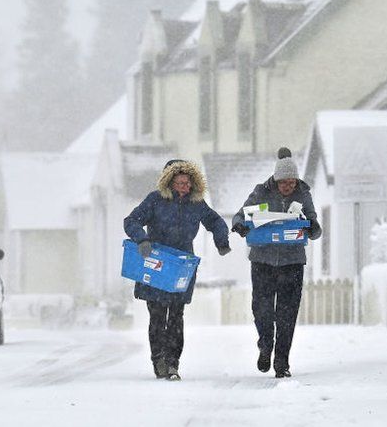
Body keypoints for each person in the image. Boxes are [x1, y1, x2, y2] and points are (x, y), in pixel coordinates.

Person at [124, 159, 230, 380]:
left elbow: (216, 221)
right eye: (180, 183)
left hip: (181, 266)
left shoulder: (197, 203)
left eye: (188, 183)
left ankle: (173, 363)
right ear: (170, 182)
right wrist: (142, 240)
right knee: (157, 316)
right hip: (156, 264)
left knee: (176, 316)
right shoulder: (155, 200)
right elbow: (131, 220)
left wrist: (222, 241)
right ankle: (159, 360)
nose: (184, 187)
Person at [231, 147, 322, 378]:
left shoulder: (303, 194)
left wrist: (312, 227)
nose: (288, 187)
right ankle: (265, 345)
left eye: (291, 183)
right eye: (284, 183)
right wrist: (240, 225)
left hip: (292, 263)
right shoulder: (261, 192)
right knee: (261, 310)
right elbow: (241, 214)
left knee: (287, 314)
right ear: (275, 180)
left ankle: (282, 362)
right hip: (263, 260)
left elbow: (313, 224)